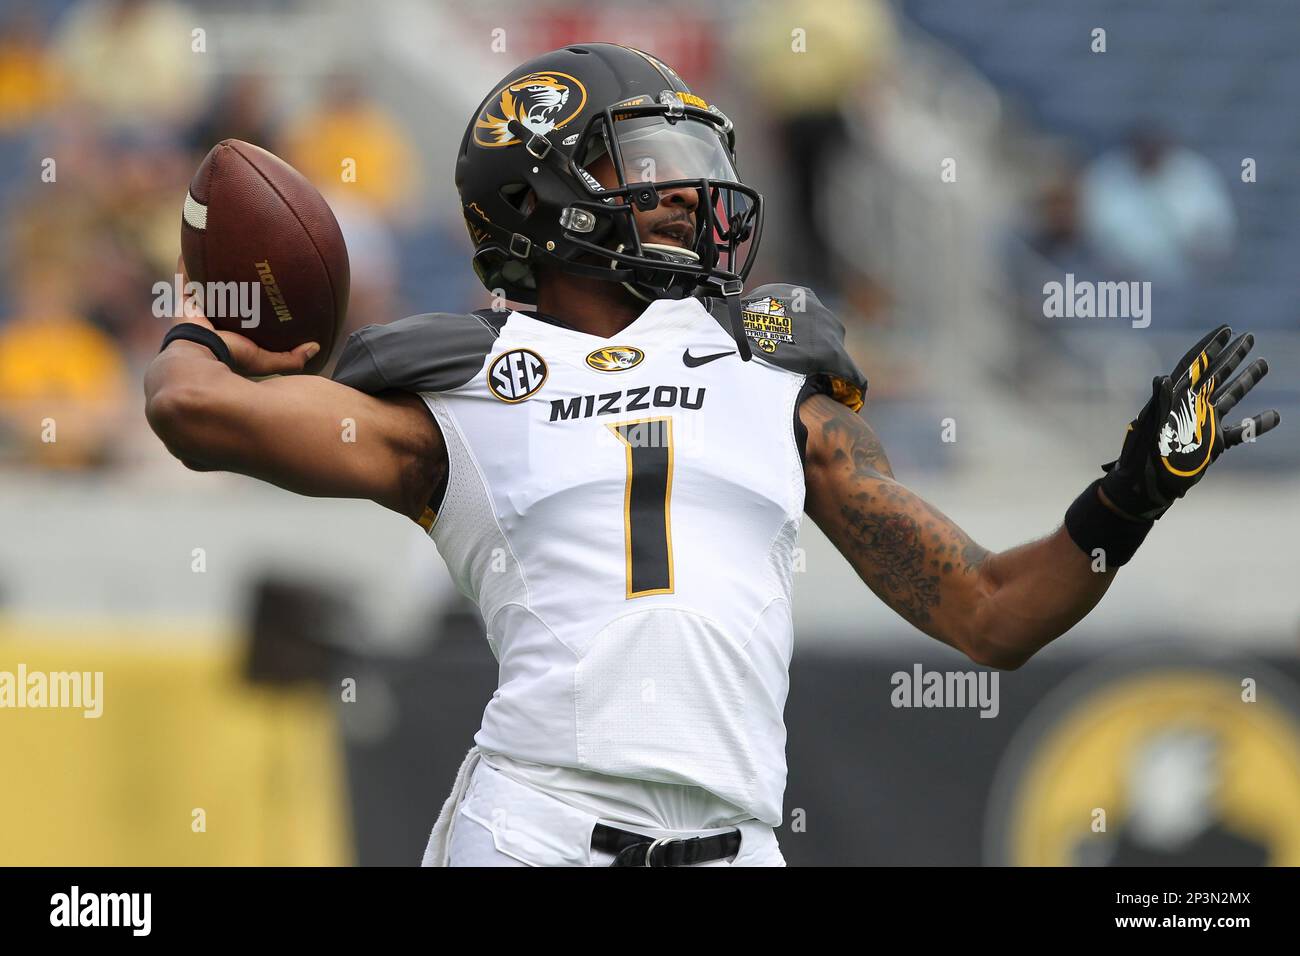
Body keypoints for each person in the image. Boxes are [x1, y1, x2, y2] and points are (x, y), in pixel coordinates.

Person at [144, 44, 1280, 867]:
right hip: (533, 830)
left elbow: (992, 615)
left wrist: (1130, 494)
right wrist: (207, 324)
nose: (688, 189)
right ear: (542, 194)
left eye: (692, 155)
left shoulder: (773, 369)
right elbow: (195, 412)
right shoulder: (461, 384)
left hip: (735, 845)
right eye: (647, 159)